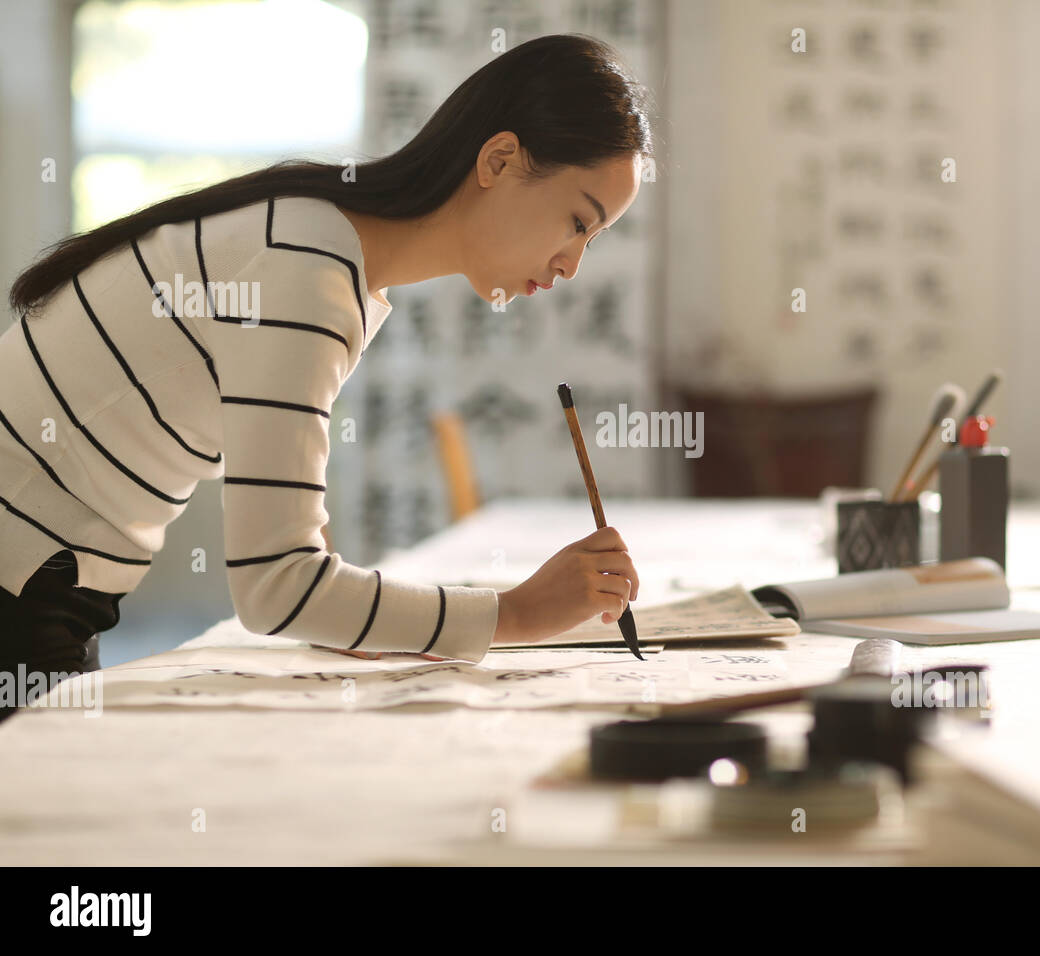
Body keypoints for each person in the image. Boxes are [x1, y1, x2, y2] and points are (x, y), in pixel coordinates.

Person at [0, 33, 649, 719]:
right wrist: (516, 614)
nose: (571, 265)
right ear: (499, 160)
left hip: (45, 578)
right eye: (578, 221)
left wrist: (358, 612)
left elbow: (289, 523)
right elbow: (276, 587)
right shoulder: (308, 269)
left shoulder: (331, 254)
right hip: (22, 581)